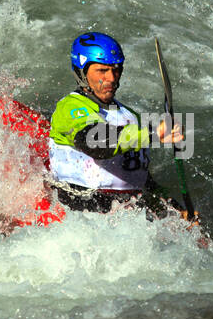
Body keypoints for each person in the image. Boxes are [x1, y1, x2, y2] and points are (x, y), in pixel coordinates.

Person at [48, 31, 190, 219]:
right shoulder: (70, 107)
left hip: (125, 214)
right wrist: (153, 133)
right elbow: (95, 141)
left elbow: (140, 178)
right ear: (81, 72)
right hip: (77, 206)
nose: (112, 78)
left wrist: (174, 210)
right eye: (102, 71)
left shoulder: (131, 116)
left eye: (116, 69)